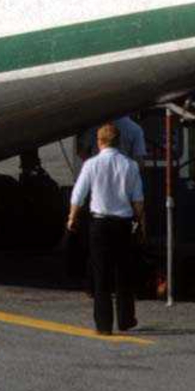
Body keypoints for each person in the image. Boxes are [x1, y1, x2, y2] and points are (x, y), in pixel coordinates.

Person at [67, 122, 145, 335]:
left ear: (99, 142)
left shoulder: (91, 165)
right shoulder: (130, 165)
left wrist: (72, 217)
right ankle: (126, 319)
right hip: (123, 224)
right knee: (123, 273)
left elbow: (79, 194)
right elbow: (138, 200)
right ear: (118, 142)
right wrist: (141, 225)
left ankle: (103, 325)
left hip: (99, 225)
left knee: (101, 275)